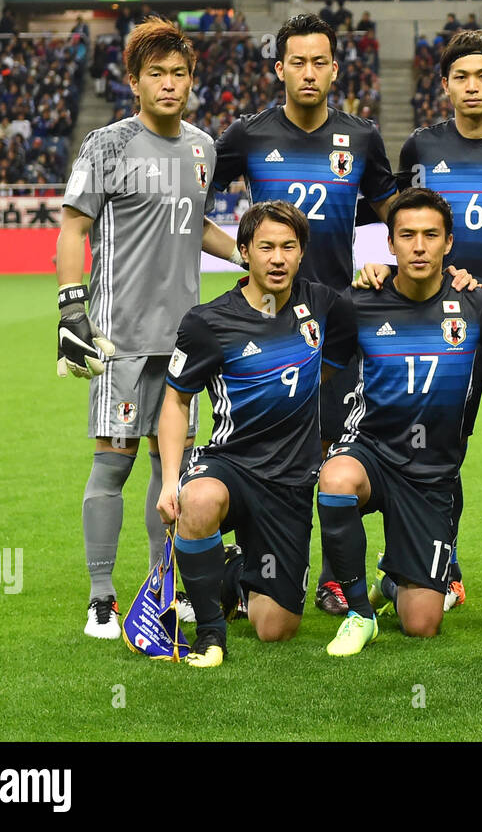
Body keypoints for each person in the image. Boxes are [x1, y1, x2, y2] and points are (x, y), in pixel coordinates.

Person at [361, 30, 482, 609]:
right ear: (444, 84)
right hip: (440, 325)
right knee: (438, 448)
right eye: (460, 77)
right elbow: (407, 223)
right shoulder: (421, 148)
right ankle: (439, 569)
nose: (472, 87)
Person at [56, 17, 240, 639]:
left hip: (183, 341)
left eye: (179, 74)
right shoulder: (105, 145)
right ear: (133, 81)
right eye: (155, 74)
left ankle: (162, 585)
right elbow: (73, 229)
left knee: (174, 471)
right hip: (118, 338)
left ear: (192, 80)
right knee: (114, 463)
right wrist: (69, 308)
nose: (168, 84)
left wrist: (247, 251)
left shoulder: (203, 147)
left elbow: (197, 225)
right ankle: (101, 596)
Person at [210, 13, 398, 618]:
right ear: (279, 69)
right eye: (298, 61)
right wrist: (234, 251)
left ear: (335, 69)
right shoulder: (247, 135)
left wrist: (384, 268)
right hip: (261, 325)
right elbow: (190, 202)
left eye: (320, 61)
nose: (309, 72)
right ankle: (250, 574)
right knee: (258, 449)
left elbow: (400, 216)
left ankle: (332, 578)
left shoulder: (362, 138)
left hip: (332, 326)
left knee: (323, 453)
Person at [317, 188, 482, 655]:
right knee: (335, 479)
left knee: (422, 624)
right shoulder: (358, 304)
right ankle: (359, 612)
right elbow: (322, 371)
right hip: (371, 452)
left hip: (432, 477)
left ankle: (395, 579)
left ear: (449, 243)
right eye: (407, 236)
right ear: (390, 245)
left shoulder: (479, 306)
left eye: (430, 235)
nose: (419, 246)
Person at [155, 201, 359, 667]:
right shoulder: (207, 322)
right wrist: (171, 480)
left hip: (289, 484)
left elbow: (340, 353)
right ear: (244, 252)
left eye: (289, 246)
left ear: (302, 252)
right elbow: (175, 400)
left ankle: (231, 571)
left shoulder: (323, 304)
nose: (277, 257)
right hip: (230, 466)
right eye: (265, 246)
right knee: (199, 500)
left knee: (276, 629)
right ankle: (209, 633)